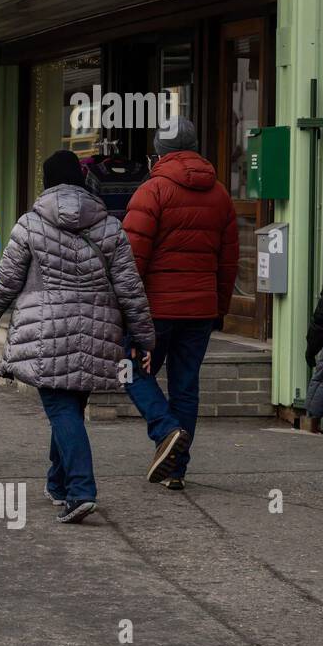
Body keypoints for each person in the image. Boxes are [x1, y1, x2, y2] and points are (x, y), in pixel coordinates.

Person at [0, 150, 157, 524]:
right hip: (97, 332)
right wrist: (143, 338)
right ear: (82, 180)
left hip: (44, 333)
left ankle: (81, 490)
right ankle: (58, 484)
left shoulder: (30, 225)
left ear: (46, 182)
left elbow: (5, 280)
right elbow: (129, 288)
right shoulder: (109, 227)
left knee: (61, 410)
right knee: (70, 408)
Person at [122, 118, 238, 490]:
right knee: (185, 386)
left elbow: (132, 259)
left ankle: (165, 429)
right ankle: (176, 469)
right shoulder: (220, 194)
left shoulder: (152, 191)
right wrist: (219, 307)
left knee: (129, 369)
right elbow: (228, 260)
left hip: (156, 311)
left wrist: (125, 309)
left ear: (159, 153)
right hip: (200, 309)